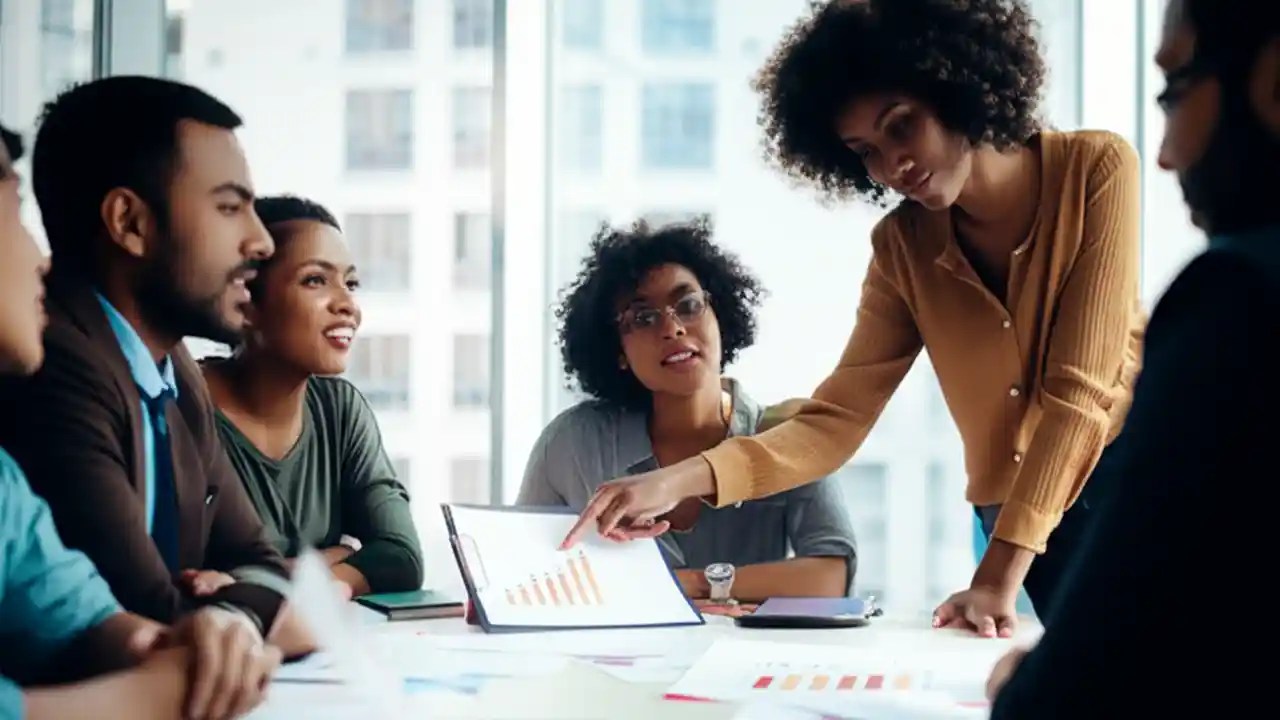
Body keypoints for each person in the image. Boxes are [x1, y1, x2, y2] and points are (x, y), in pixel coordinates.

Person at [562, 0, 1146, 637]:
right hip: (1014, 519)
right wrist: (676, 481)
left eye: (902, 126)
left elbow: (1079, 395)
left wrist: (996, 577)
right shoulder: (902, 247)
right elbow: (836, 420)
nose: (892, 165)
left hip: (1128, 487)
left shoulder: (1096, 170)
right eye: (865, 150)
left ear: (957, 88)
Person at [986, 0, 1280, 715]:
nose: (1168, 152)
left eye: (1174, 90)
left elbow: (1081, 686)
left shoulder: (1236, 301)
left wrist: (1018, 684)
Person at [0, 77, 309, 655]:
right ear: (130, 223)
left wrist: (233, 612)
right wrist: (242, 615)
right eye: (228, 207)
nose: (262, 241)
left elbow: (267, 568)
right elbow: (156, 622)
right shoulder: (54, 368)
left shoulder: (174, 371)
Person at [518, 219, 857, 603]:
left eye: (689, 305)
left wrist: (692, 584)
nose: (673, 328)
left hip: (745, 660)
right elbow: (521, 574)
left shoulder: (787, 435)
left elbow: (830, 579)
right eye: (643, 318)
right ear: (618, 353)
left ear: (720, 317)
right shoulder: (572, 444)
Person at [202, 195, 423, 599]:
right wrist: (338, 556)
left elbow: (401, 555)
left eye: (350, 283)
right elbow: (191, 579)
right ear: (246, 300)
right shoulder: (184, 406)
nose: (347, 305)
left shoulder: (339, 409)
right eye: (315, 280)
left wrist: (313, 586)